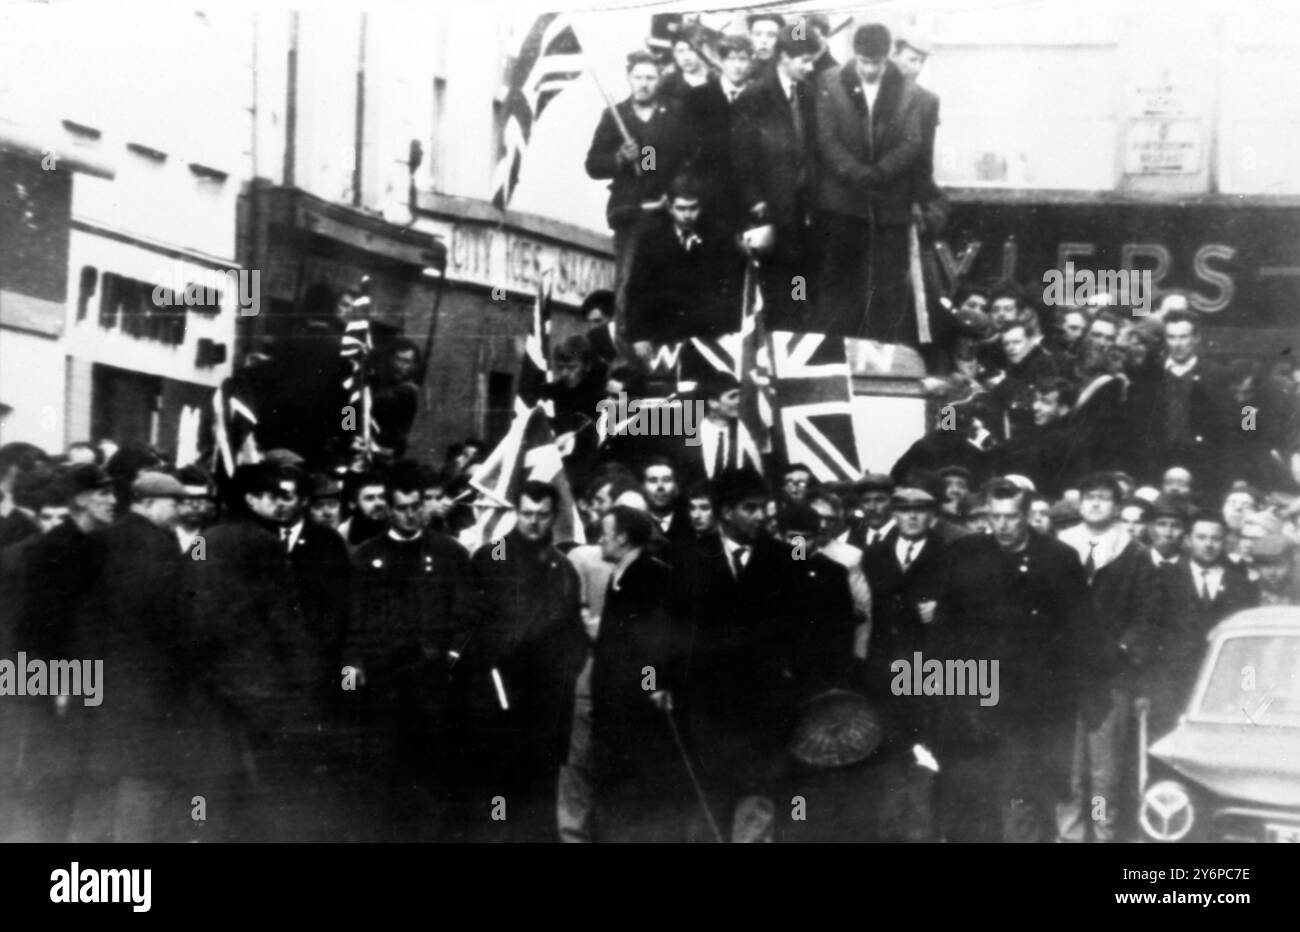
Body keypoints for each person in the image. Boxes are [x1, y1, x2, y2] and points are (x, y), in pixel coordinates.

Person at [928, 480, 1099, 842]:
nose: (1002, 526)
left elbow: (1081, 631)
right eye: (994, 516)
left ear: (1028, 516)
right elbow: (945, 630)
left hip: (1035, 705)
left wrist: (1078, 694)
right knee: (974, 797)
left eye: (1011, 517)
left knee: (1023, 796)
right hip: (974, 699)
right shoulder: (965, 552)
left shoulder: (1058, 558)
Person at [183, 462, 321, 841]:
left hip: (211, 682)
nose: (282, 504)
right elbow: (282, 617)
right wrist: (305, 675)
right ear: (250, 499)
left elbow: (193, 610)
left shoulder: (205, 539)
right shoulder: (263, 543)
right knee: (265, 786)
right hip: (258, 683)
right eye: (271, 496)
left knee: (216, 781)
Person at [453, 481, 587, 842]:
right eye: (526, 514)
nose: (533, 523)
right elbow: (471, 626)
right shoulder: (491, 557)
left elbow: (574, 636)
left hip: (544, 707)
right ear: (516, 512)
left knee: (539, 801)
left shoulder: (562, 568)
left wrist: (561, 677)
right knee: (497, 799)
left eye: (542, 516)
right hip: (498, 701)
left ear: (553, 516)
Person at [346, 463, 469, 841]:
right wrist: (352, 665)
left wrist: (452, 656)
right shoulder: (367, 556)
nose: (411, 514)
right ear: (388, 507)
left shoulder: (449, 553)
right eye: (402, 507)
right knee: (386, 780)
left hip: (434, 685)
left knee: (433, 779)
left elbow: (466, 612)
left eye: (417, 505)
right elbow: (354, 618)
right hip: (385, 686)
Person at [66, 471, 189, 842]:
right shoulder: (160, 545)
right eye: (175, 502)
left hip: (103, 677)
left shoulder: (102, 538)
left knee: (100, 776)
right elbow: (169, 615)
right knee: (143, 777)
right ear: (148, 502)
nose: (180, 510)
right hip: (148, 681)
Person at [1054, 474, 1161, 843]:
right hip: (1065, 677)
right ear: (1079, 504)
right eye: (1090, 497)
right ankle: (1069, 835)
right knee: (1067, 767)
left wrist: (1120, 651)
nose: (1096, 503)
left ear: (1117, 507)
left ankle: (1103, 833)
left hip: (1110, 677)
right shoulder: (1060, 548)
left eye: (1104, 498)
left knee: (1104, 771)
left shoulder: (1134, 553)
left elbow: (1147, 616)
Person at [813, 23, 925, 342]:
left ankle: (880, 357)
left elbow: (911, 141)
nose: (869, 69)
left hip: (888, 207)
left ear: (887, 57)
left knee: (886, 285)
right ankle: (832, 354)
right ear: (854, 55)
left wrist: (880, 173)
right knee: (837, 283)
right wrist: (854, 173)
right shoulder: (829, 82)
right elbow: (826, 137)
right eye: (864, 61)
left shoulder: (907, 90)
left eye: (876, 62)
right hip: (841, 202)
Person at [589, 505, 687, 842]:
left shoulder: (651, 576)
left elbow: (655, 642)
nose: (600, 538)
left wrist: (652, 684)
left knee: (640, 798)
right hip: (614, 709)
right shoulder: (620, 576)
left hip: (638, 711)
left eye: (605, 531)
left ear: (623, 538)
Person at [585, 51, 694, 338]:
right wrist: (619, 158)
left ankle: (665, 348)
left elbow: (689, 159)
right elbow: (593, 164)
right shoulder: (615, 116)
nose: (644, 83)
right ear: (629, 79)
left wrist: (677, 193)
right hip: (631, 213)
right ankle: (629, 347)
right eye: (638, 77)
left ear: (659, 80)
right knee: (629, 281)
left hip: (667, 212)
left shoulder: (675, 113)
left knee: (669, 280)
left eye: (650, 77)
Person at [731, 24, 822, 331]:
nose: (810, 68)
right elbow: (741, 156)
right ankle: (775, 337)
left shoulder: (808, 94)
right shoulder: (754, 97)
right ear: (784, 57)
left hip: (802, 208)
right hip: (769, 210)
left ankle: (795, 331)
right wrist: (754, 200)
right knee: (773, 281)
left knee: (799, 278)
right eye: (804, 61)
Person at [1144, 510, 1259, 738]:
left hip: (1223, 684)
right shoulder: (1163, 578)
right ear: (1188, 540)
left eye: (1215, 539)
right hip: (1171, 682)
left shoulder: (1242, 585)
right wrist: (1147, 686)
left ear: (1225, 542)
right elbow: (1150, 632)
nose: (1209, 544)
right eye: (1201, 537)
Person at [860, 487, 949, 747]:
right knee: (883, 735)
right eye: (904, 511)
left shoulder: (948, 554)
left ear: (932, 516)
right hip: (883, 656)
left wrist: (940, 608)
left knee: (921, 735)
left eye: (919, 511)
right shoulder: (875, 553)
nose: (912, 518)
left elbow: (965, 603)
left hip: (924, 660)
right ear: (894, 515)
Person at [624, 173, 744, 344]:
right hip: (663, 336)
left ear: (701, 207)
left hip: (709, 337)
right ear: (670, 208)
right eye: (681, 208)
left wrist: (726, 330)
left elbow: (731, 289)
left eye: (693, 208)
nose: (688, 215)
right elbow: (637, 291)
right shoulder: (651, 241)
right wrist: (639, 337)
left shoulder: (719, 239)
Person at [1128, 309, 1232, 495]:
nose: (1177, 344)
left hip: (1204, 468)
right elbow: (1135, 425)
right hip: (1155, 466)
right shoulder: (1147, 374)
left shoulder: (1217, 374)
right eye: (1172, 337)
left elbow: (1242, 415)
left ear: (1196, 338)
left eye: (1183, 337)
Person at [684, 34, 752, 235]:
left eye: (743, 59)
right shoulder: (698, 98)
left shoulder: (759, 98)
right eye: (731, 59)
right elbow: (686, 147)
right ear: (721, 62)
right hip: (707, 196)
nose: (737, 66)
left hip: (745, 199)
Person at [640, 457, 691, 542]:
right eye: (653, 480)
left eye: (666, 480)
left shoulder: (690, 522)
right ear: (643, 487)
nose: (660, 486)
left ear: (676, 487)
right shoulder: (636, 524)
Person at [338, 472, 388, 549]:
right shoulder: (341, 536)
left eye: (383, 497)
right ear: (353, 503)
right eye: (370, 498)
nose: (379, 503)